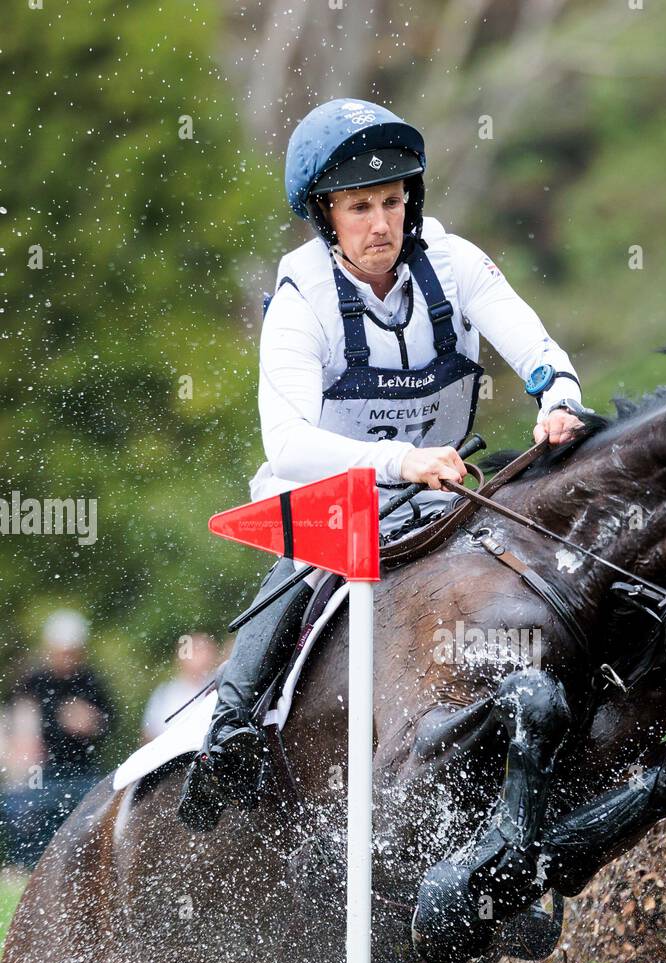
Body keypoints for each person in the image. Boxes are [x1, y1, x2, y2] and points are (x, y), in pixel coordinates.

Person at [178, 97, 590, 831]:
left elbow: (534, 347)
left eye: (393, 201)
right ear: (325, 214)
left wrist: (558, 394)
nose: (380, 223)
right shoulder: (303, 300)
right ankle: (230, 733)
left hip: (442, 486)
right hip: (325, 498)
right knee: (299, 574)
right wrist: (399, 461)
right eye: (360, 206)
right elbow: (289, 443)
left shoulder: (456, 264)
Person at [2, 610, 115, 868]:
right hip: (42, 771)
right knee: (37, 827)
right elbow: (17, 722)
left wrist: (93, 722)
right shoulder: (33, 680)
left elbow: (109, 721)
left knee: (82, 828)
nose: (67, 658)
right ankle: (30, 868)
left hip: (82, 769)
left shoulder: (90, 681)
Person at [142, 633, 220, 742]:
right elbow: (150, 734)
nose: (199, 657)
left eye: (203, 650)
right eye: (194, 651)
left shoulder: (220, 687)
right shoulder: (165, 694)